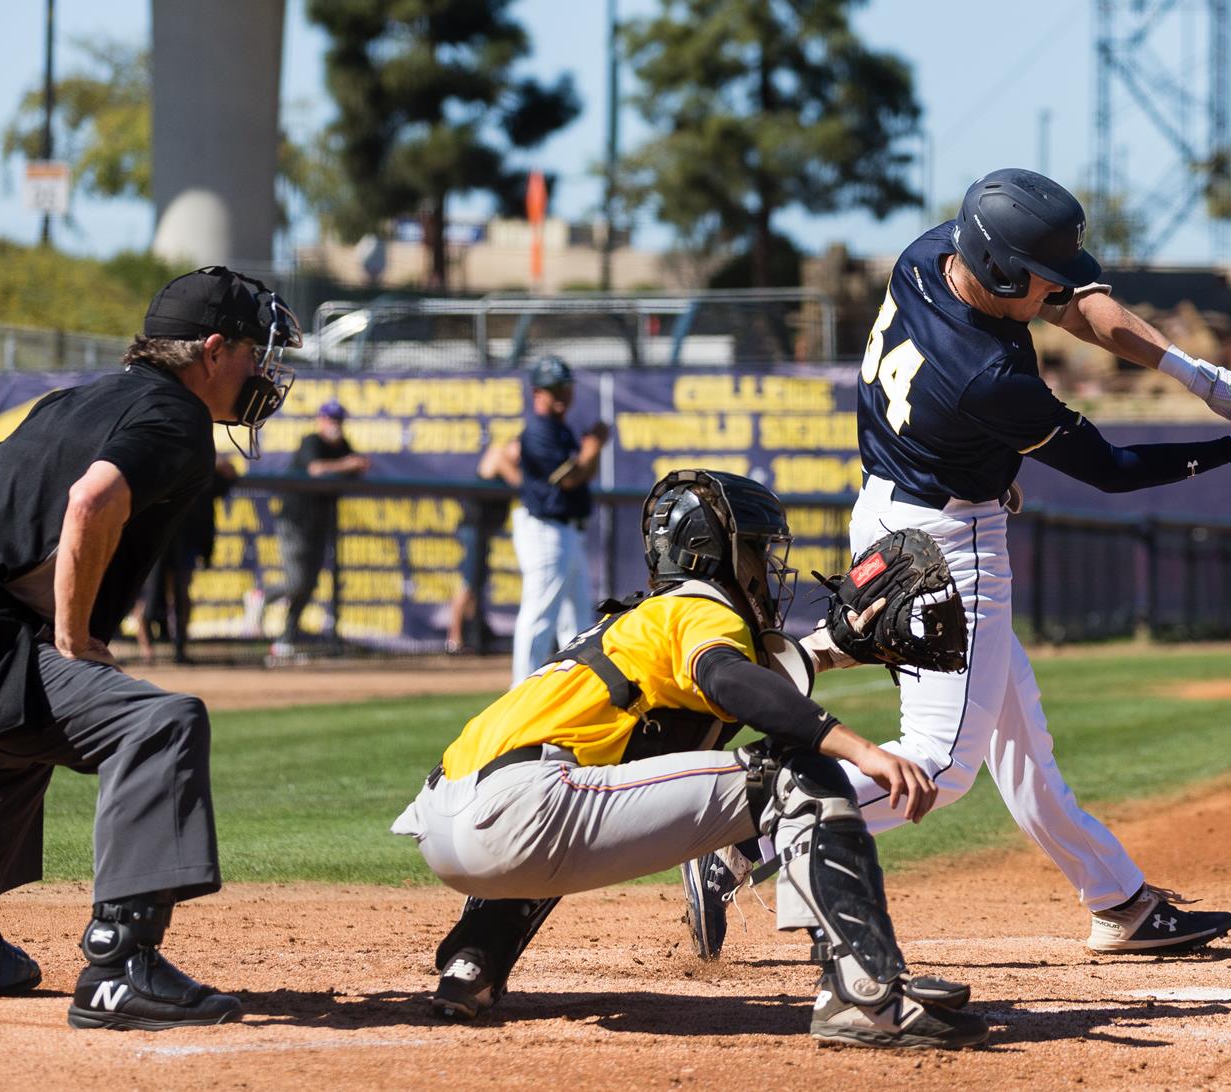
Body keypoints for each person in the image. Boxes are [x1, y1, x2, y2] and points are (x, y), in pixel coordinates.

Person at [681, 168, 1231, 958]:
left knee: (1022, 746)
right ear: (1004, 269)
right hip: (947, 550)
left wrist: (1198, 377)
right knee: (940, 768)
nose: (1059, 291)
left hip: (886, 511)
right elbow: (1110, 469)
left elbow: (1085, 307)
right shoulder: (987, 378)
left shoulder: (932, 252)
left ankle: (1120, 902)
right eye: (1042, 278)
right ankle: (741, 843)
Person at [391, 469, 987, 1049]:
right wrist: (859, 749)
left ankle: (475, 962)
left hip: (450, 823)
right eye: (755, 549)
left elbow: (733, 685)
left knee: (577, 786)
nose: (766, 567)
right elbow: (730, 681)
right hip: (524, 811)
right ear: (715, 553)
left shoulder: (637, 623)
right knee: (797, 774)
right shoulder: (702, 608)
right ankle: (866, 994)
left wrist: (827, 652)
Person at [0, 265, 300, 1030]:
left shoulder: (74, 401)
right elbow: (92, 499)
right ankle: (121, 965)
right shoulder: (177, 418)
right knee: (160, 723)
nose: (262, 370)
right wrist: (67, 636)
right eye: (255, 351)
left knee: (9, 742)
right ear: (213, 350)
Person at [510, 354, 611, 684]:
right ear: (537, 392)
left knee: (578, 619)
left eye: (565, 387)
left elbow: (583, 474)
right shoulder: (538, 431)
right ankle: (520, 691)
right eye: (555, 389)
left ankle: (574, 689)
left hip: (567, 530)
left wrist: (590, 452)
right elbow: (569, 477)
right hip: (544, 528)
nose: (563, 395)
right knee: (540, 614)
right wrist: (593, 447)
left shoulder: (560, 429)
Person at [272, 401, 369, 658]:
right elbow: (316, 469)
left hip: (319, 522)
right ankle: (264, 595)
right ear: (321, 420)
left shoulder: (342, 445)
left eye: (339, 420)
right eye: (331, 419)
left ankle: (285, 638)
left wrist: (353, 464)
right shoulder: (312, 440)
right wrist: (349, 464)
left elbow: (358, 465)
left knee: (309, 583)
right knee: (298, 581)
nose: (335, 425)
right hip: (294, 521)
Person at [134, 457, 238, 666]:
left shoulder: (202, 466)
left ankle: (180, 648)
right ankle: (147, 651)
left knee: (181, 592)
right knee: (150, 596)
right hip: (156, 536)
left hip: (185, 537)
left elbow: (229, 475)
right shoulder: (160, 460)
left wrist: (219, 463)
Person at [447, 436, 519, 655]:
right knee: (468, 582)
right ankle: (454, 639)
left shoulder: (511, 461)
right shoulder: (498, 454)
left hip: (483, 531)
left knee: (477, 583)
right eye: (519, 448)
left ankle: (472, 635)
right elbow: (520, 482)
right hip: (474, 528)